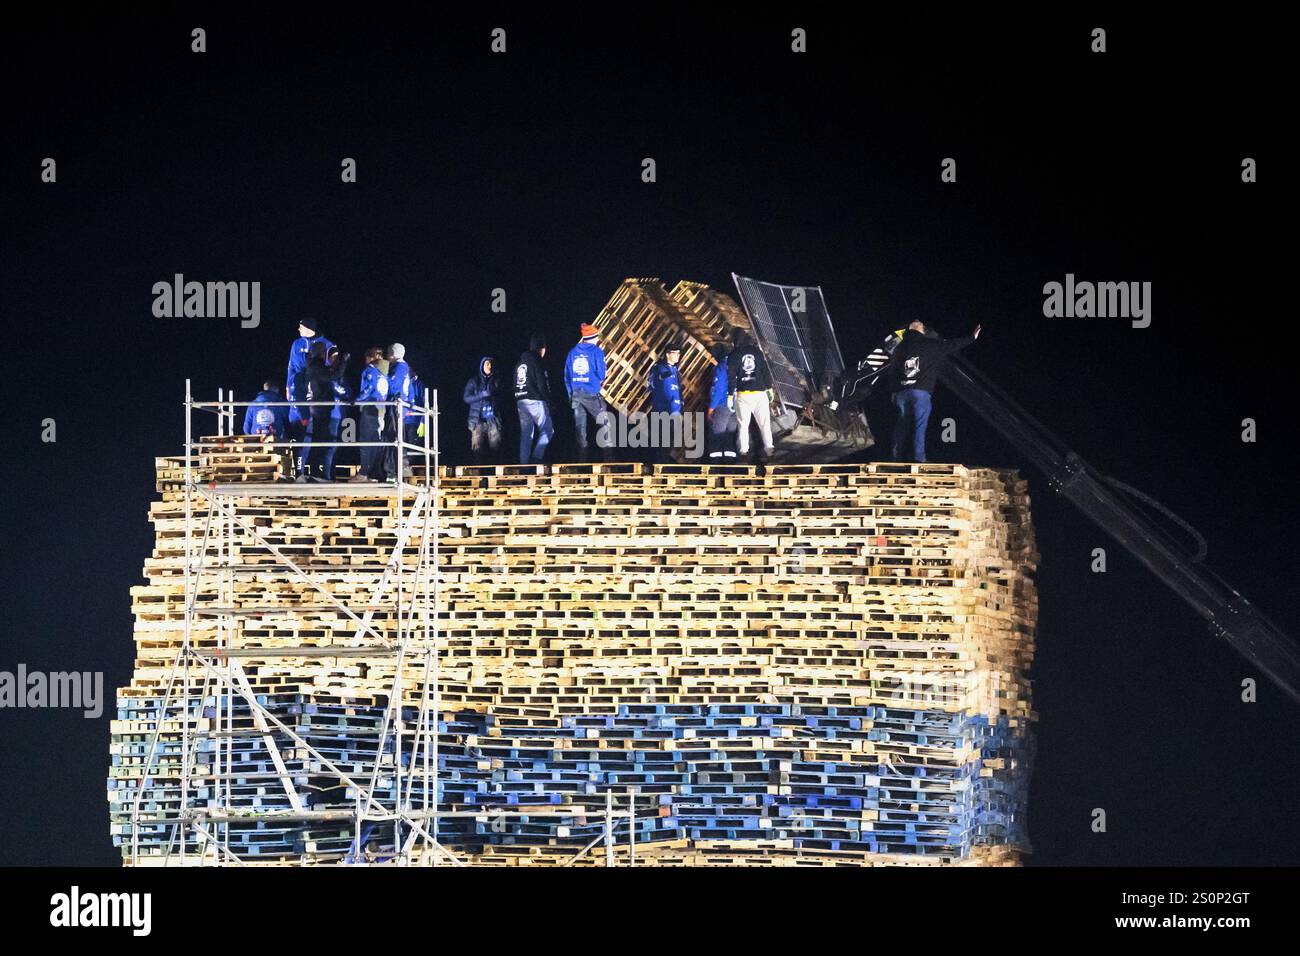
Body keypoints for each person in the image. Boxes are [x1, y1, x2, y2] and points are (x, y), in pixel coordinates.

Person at [886, 321, 981, 463]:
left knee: (902, 424)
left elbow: (893, 372)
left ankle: (895, 456)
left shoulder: (899, 348)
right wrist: (972, 338)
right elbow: (953, 344)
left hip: (902, 392)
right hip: (920, 392)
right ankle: (919, 458)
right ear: (922, 330)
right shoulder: (931, 344)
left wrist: (893, 392)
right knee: (920, 425)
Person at [286, 319, 334, 476]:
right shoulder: (296, 344)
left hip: (318, 397)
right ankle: (299, 473)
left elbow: (331, 371)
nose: (298, 329)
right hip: (299, 394)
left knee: (318, 435)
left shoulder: (327, 344)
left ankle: (317, 472)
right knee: (300, 435)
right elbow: (291, 367)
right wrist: (289, 386)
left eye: (301, 327)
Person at [728, 330, 776, 463]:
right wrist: (769, 388)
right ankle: (770, 450)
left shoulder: (734, 354)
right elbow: (765, 371)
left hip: (743, 395)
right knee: (765, 424)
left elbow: (731, 376)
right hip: (760, 394)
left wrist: (730, 394)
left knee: (743, 425)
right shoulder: (757, 352)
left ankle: (744, 452)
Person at [564, 323, 609, 461]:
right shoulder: (596, 351)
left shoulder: (572, 352)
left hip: (576, 395)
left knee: (580, 430)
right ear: (593, 338)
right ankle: (609, 461)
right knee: (605, 424)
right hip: (591, 394)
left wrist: (570, 394)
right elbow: (602, 375)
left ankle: (581, 463)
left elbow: (566, 376)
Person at [513, 333, 554, 464]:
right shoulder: (537, 361)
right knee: (548, 430)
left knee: (526, 435)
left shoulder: (520, 363)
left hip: (521, 401)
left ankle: (524, 464)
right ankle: (536, 457)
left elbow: (514, 382)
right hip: (535, 400)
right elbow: (542, 384)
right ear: (542, 348)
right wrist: (550, 401)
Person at [353, 347, 389, 482]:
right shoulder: (385, 371)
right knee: (377, 443)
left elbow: (368, 389)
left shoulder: (370, 370)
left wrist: (357, 400)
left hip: (370, 409)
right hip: (382, 410)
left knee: (366, 442)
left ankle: (364, 473)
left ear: (370, 358)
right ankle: (374, 472)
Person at [303, 342, 337, 480]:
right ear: (321, 353)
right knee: (321, 440)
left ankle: (317, 472)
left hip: (315, 407)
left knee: (318, 439)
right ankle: (317, 472)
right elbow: (329, 378)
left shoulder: (311, 366)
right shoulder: (317, 366)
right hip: (319, 408)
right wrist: (342, 364)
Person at [649, 340, 684, 464]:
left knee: (669, 441)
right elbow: (654, 385)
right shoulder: (660, 368)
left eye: (679, 354)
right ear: (668, 354)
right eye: (675, 353)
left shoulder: (674, 370)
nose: (678, 356)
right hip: (664, 410)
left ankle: (663, 464)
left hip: (674, 411)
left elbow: (677, 390)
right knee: (663, 441)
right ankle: (660, 466)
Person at [463, 356, 502, 464]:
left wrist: (493, 397)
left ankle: (494, 476)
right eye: (487, 364)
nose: (490, 366)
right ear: (482, 366)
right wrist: (481, 395)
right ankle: (479, 476)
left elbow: (503, 397)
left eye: (491, 364)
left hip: (493, 419)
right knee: (478, 450)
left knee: (496, 448)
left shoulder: (497, 380)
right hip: (477, 421)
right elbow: (466, 398)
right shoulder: (474, 381)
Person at [322, 346, 352, 481]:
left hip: (341, 414)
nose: (336, 359)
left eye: (337, 356)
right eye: (333, 356)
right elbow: (334, 390)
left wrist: (346, 393)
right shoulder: (327, 373)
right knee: (330, 446)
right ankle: (326, 475)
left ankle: (332, 473)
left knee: (337, 446)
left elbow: (348, 391)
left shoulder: (342, 375)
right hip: (331, 415)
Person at [705, 343, 737, 460]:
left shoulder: (722, 367)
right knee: (730, 435)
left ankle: (716, 465)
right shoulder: (736, 363)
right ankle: (730, 465)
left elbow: (718, 389)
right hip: (736, 405)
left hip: (723, 405)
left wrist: (711, 408)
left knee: (717, 434)